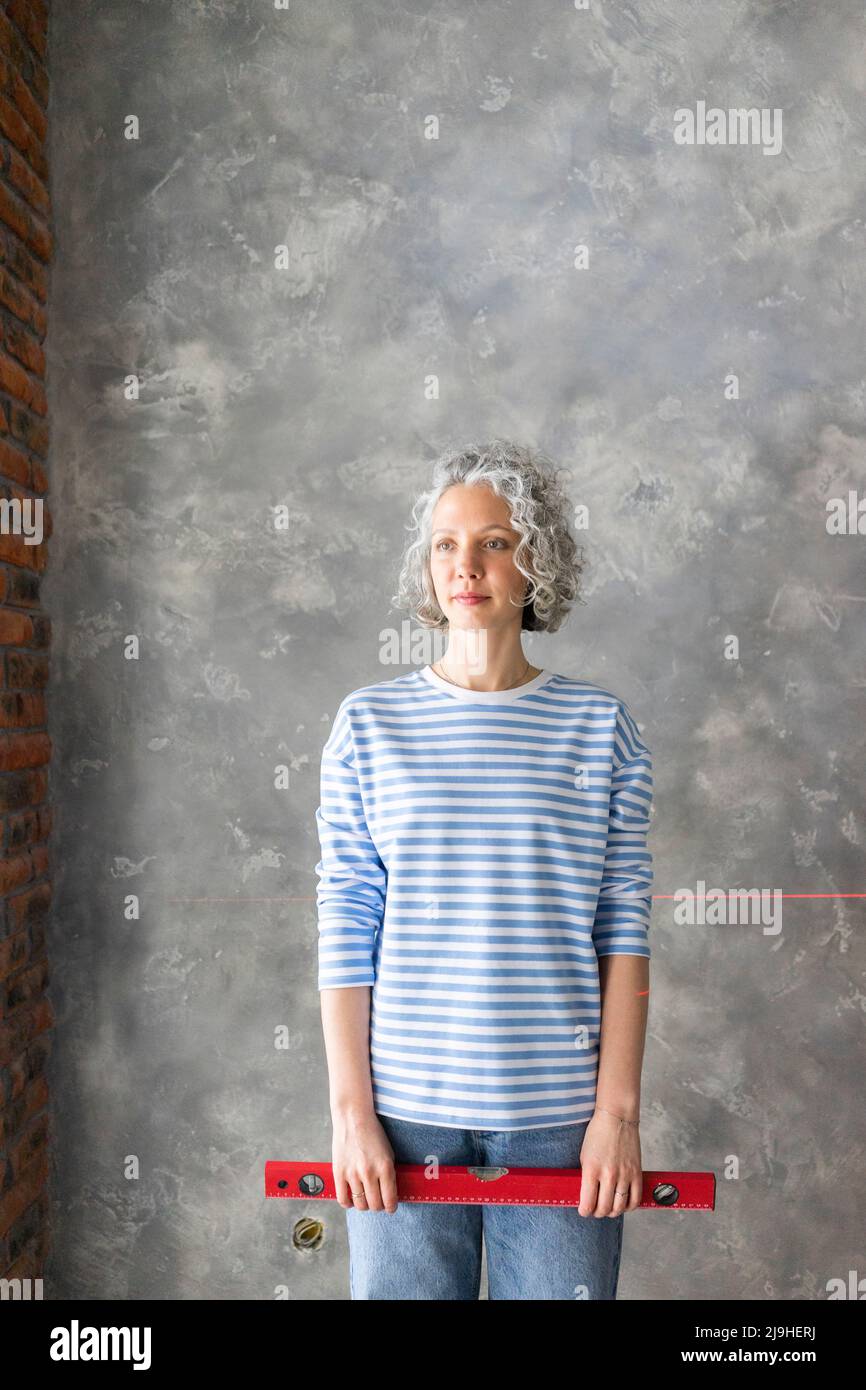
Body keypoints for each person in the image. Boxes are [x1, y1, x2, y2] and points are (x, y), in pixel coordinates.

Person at [314, 439, 654, 1300]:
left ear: (536, 561)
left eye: (495, 541)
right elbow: (347, 924)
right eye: (445, 544)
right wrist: (352, 1116)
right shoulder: (369, 725)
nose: (466, 565)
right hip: (404, 1119)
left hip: (560, 1123)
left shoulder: (599, 727)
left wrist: (615, 1115)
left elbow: (625, 929)